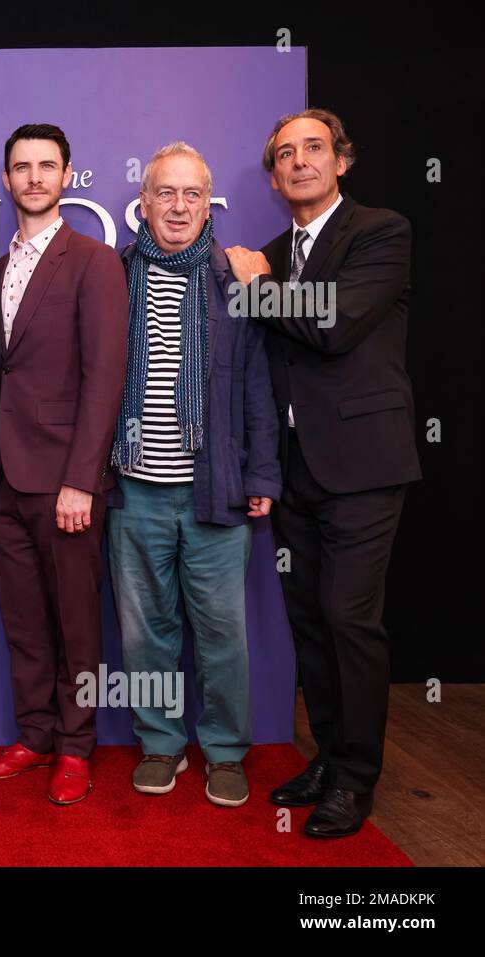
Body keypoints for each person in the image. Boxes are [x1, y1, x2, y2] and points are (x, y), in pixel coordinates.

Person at [226, 109, 419, 837]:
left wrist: (258, 287)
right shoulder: (274, 251)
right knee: (309, 619)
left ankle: (357, 777)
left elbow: (334, 324)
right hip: (294, 469)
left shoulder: (380, 231)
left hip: (365, 464)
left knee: (348, 616)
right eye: (285, 153)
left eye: (314, 148)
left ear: (341, 160)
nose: (299, 161)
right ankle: (330, 756)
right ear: (274, 175)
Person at [108, 142, 280, 808]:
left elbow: (260, 385)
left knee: (222, 632)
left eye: (192, 194)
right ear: (143, 202)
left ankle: (227, 751)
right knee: (144, 632)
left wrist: (262, 473)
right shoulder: (114, 273)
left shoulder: (234, 276)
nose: (179, 206)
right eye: (166, 193)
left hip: (216, 489)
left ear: (209, 203)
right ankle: (159, 743)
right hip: (133, 491)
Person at [0, 124, 128, 804]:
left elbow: (105, 377)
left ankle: (75, 746)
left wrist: (82, 478)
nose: (33, 177)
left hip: (65, 480)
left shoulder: (94, 260)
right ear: (6, 180)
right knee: (24, 620)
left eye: (46, 165)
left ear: (67, 175)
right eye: (21, 167)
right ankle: (34, 736)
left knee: (75, 622)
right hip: (1, 478)